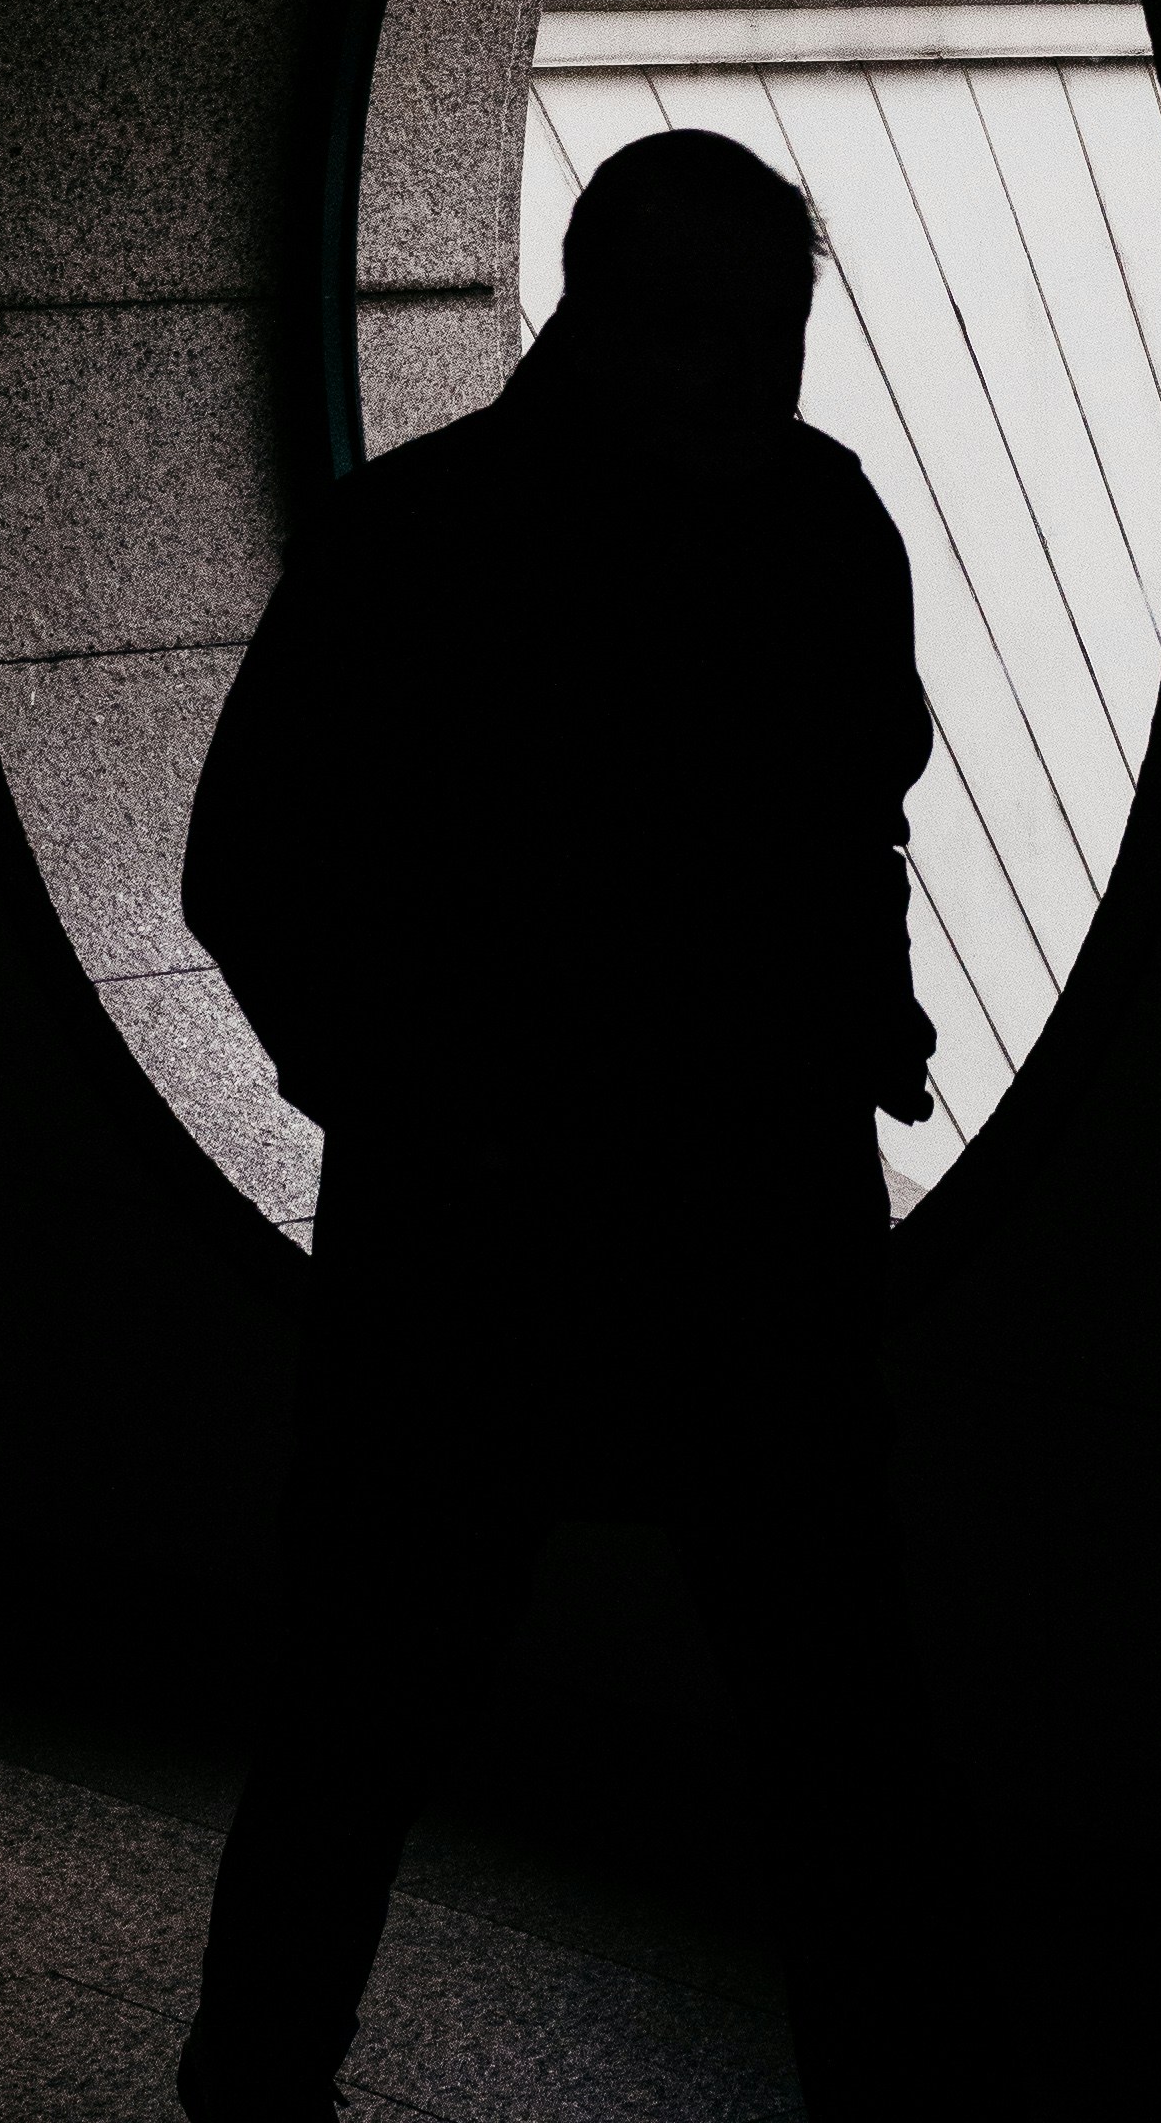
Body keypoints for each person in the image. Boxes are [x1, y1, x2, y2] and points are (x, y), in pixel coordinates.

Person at [175, 127, 953, 2121]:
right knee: (839, 1736)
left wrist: (430, 1109)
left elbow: (252, 874)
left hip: (476, 1239)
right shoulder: (815, 518)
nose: (738, 366)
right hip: (753, 1221)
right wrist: (855, 1025)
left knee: (362, 1708)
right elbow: (855, 799)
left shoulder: (416, 539)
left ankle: (256, 2086)